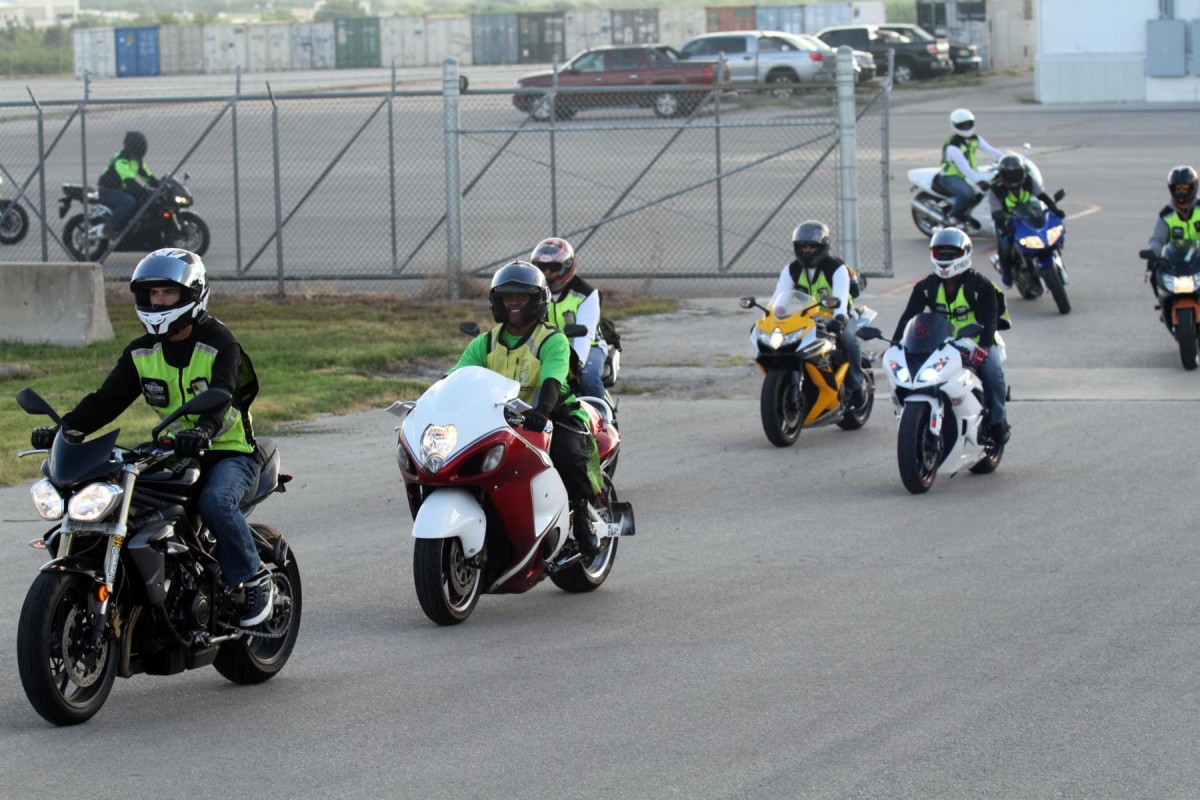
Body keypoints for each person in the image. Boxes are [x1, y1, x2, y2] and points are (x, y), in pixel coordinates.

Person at [29, 248, 274, 627]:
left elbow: (223, 394)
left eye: (168, 293)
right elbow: (105, 401)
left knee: (215, 501)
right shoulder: (142, 351)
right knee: (117, 496)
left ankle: (254, 578)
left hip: (230, 453)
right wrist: (66, 430)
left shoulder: (220, 342)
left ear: (192, 294)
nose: (158, 301)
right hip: (172, 450)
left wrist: (203, 430)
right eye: (152, 294)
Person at [451, 261, 603, 556]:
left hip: (553, 414)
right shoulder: (485, 343)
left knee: (567, 454)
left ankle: (583, 515)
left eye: (522, 297)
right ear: (498, 302)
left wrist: (542, 411)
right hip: (499, 418)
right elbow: (455, 377)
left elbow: (552, 380)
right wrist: (428, 403)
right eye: (508, 297)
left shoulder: (553, 340)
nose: (514, 303)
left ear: (537, 301)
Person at [891, 228, 1011, 444]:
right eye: (941, 253)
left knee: (993, 373)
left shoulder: (981, 286)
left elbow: (990, 320)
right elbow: (908, 317)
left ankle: (997, 422)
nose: (945, 258)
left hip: (976, 343)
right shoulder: (925, 287)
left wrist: (984, 348)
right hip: (938, 343)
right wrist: (895, 344)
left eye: (951, 253)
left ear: (965, 253)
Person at [773, 220, 866, 408]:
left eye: (812, 246)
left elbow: (840, 297)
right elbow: (777, 298)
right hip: (805, 318)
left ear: (823, 247)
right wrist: (769, 317)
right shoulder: (791, 270)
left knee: (848, 339)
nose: (807, 250)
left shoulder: (837, 268)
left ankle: (857, 386)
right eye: (803, 246)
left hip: (836, 316)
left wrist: (839, 319)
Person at [529, 237, 609, 401]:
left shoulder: (587, 294)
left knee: (587, 377)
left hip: (589, 346)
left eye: (554, 267)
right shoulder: (533, 293)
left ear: (566, 266)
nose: (547, 272)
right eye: (542, 267)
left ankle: (600, 412)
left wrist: (575, 366)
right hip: (550, 346)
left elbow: (585, 336)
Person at [988, 152, 1065, 288]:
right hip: (1006, 220)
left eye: (1016, 174)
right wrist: (1004, 227)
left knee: (1051, 229)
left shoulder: (1028, 180)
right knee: (1004, 246)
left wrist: (1055, 209)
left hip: (1028, 214)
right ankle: (1007, 274)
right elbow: (995, 211)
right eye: (1009, 175)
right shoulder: (996, 188)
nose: (1013, 178)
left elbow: (1042, 196)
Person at [934, 108, 1003, 230]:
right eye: (962, 125)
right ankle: (954, 216)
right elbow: (964, 168)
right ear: (955, 126)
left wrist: (1008, 159)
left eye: (968, 124)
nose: (966, 127)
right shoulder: (953, 146)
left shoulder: (975, 139)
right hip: (951, 176)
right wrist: (980, 182)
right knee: (967, 193)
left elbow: (992, 151)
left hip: (969, 173)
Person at [96, 130, 155, 240]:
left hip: (121, 189)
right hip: (108, 189)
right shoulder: (121, 160)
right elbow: (129, 182)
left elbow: (149, 177)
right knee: (128, 202)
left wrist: (163, 186)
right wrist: (145, 192)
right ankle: (109, 227)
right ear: (133, 145)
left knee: (142, 201)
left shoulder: (137, 160)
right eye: (141, 145)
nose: (143, 147)